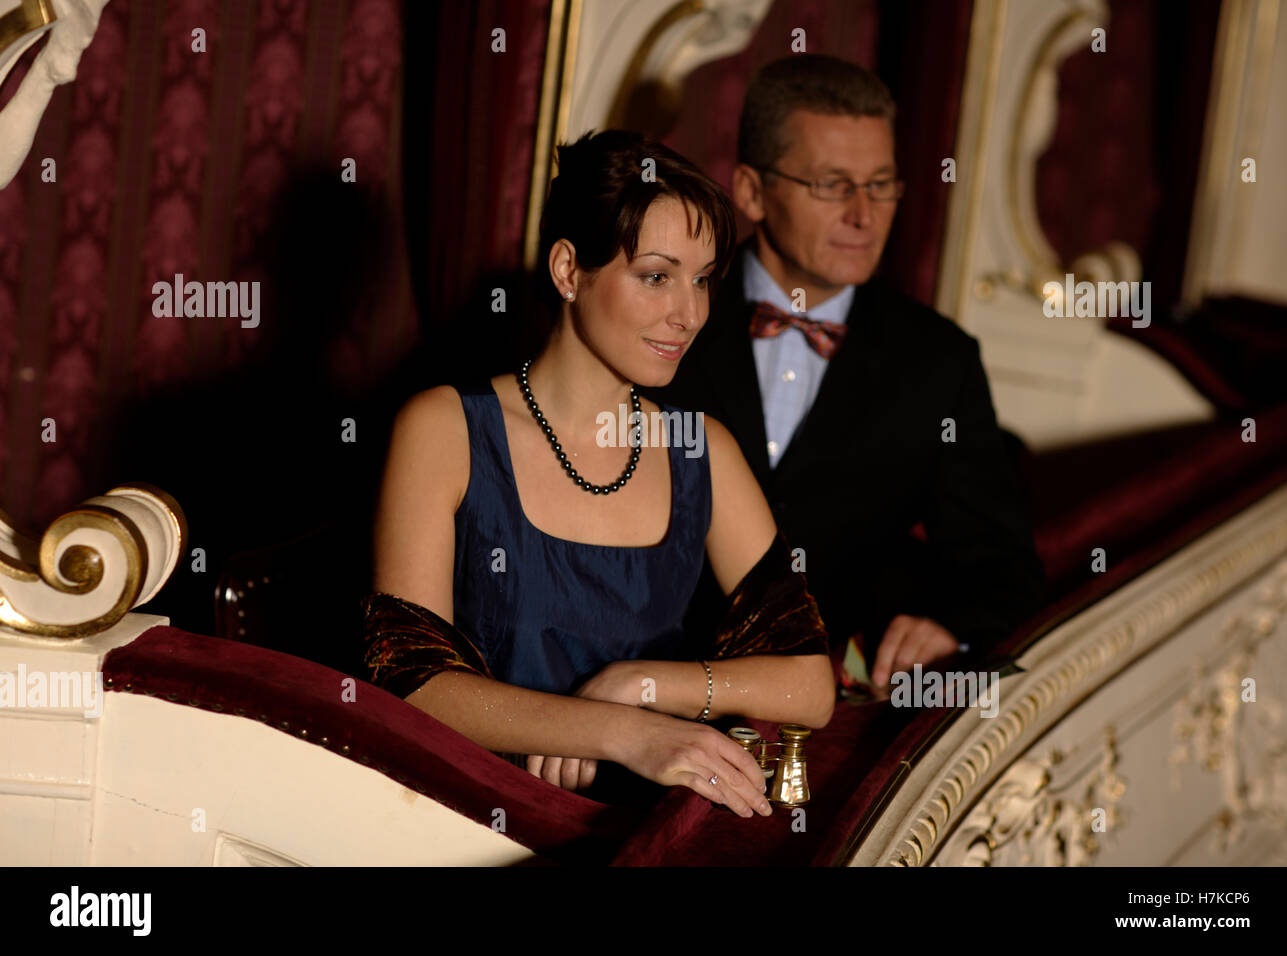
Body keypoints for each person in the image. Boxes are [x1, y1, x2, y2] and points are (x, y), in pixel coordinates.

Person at [362, 129, 836, 817]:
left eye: (702, 280)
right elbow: (411, 683)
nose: (690, 313)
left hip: (644, 829)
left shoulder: (702, 449)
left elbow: (810, 685)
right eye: (656, 276)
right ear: (566, 271)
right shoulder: (443, 429)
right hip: (458, 817)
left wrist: (641, 686)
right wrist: (620, 732)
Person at [649, 55, 1045, 690]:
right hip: (641, 681)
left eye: (882, 184)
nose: (865, 214)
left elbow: (1001, 565)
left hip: (827, 703)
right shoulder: (659, 309)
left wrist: (949, 623)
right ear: (752, 191)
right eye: (832, 185)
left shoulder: (939, 361)